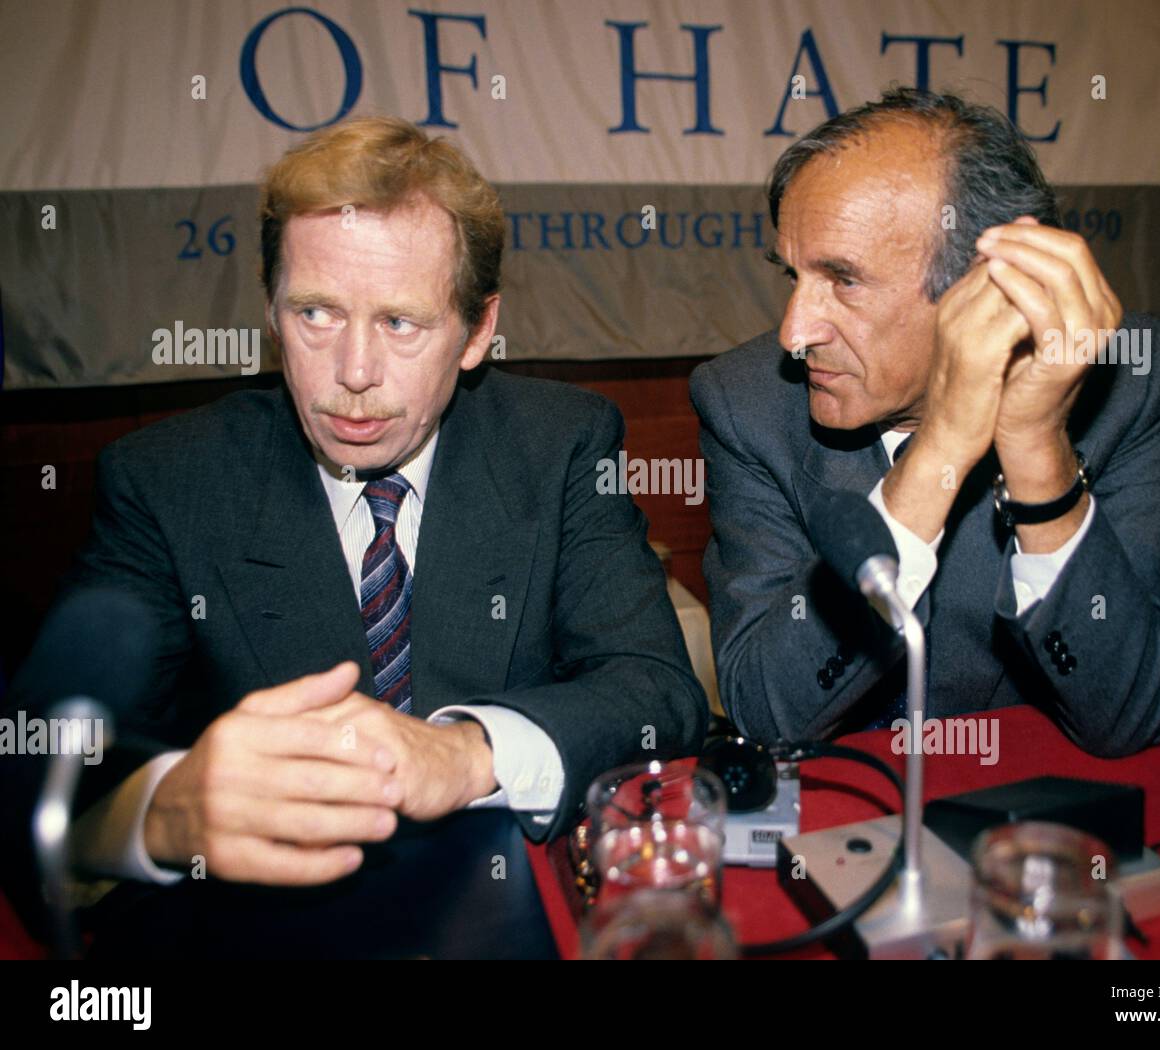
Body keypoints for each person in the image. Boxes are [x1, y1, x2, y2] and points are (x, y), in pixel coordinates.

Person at [4, 117, 707, 950]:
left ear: (478, 331)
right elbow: (49, 769)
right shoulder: (165, 480)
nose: (355, 373)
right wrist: (164, 812)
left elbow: (656, 691)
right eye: (316, 313)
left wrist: (465, 752)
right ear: (270, 308)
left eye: (402, 323)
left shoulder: (559, 444)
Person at [691, 88, 1160, 754]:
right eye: (792, 275)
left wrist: (1038, 449)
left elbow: (1129, 717)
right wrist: (940, 453)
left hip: (1023, 805)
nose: (794, 333)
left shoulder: (1130, 381)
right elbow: (768, 711)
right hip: (845, 804)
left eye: (842, 279)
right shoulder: (746, 402)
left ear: (988, 286)